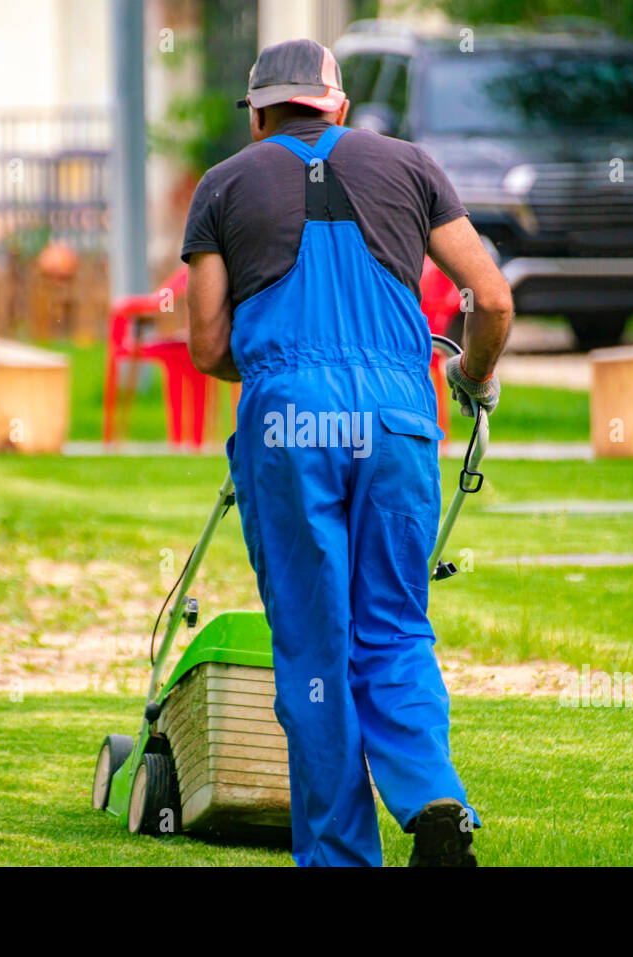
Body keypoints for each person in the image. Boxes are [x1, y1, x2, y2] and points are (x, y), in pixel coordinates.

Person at [184, 38, 512, 867]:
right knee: (396, 626)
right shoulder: (411, 165)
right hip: (401, 416)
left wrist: (273, 369)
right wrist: (470, 375)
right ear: (340, 107)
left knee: (314, 644)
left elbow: (204, 342)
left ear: (259, 114)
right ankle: (434, 801)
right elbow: (495, 298)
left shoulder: (222, 185)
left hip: (290, 425)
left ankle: (339, 857)